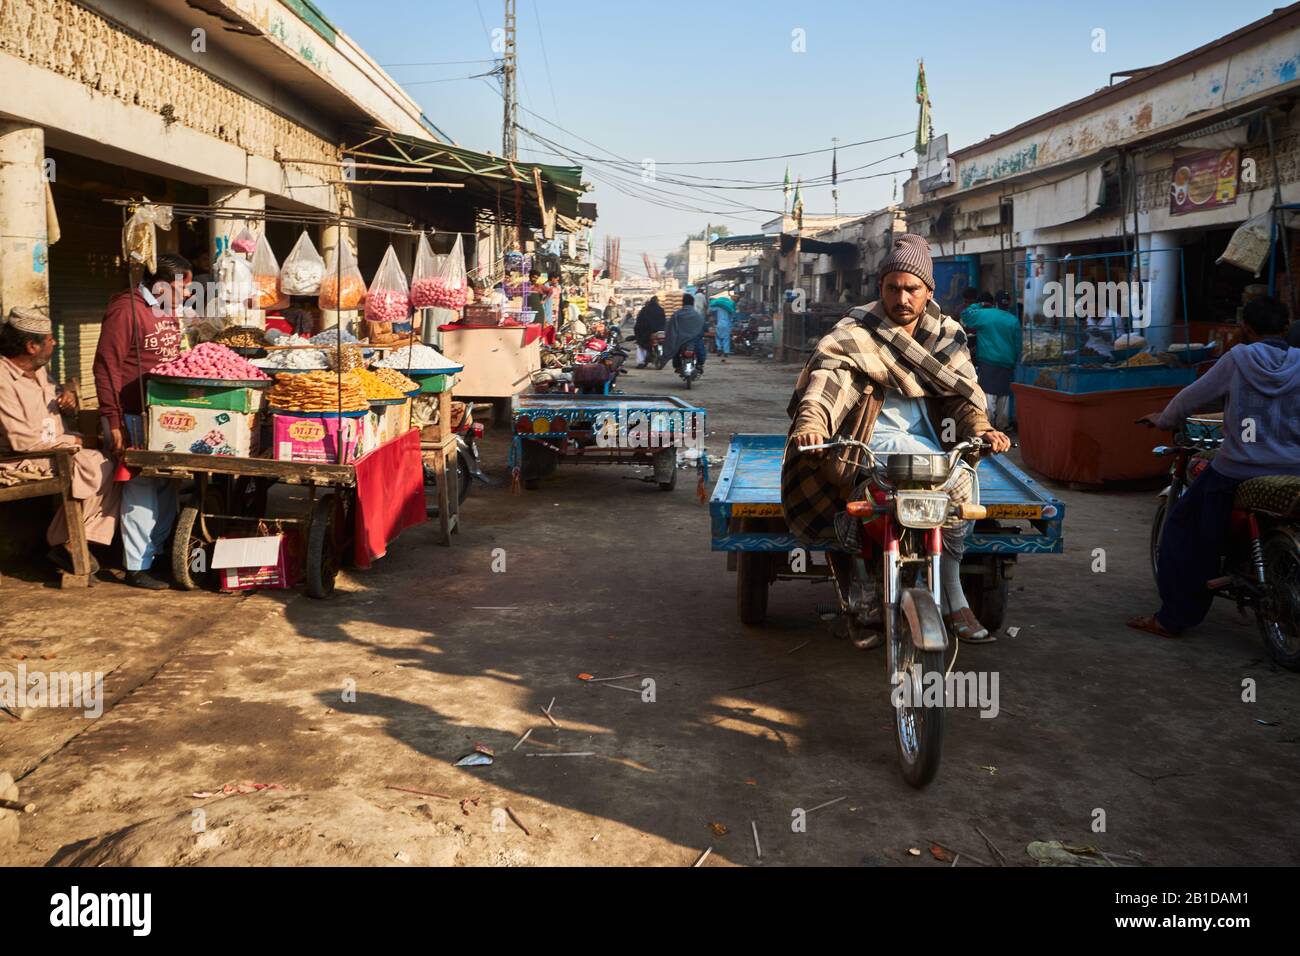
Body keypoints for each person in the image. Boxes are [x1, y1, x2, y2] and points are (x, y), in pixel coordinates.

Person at [783, 234, 1011, 645]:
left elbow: (962, 398)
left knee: (962, 492)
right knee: (854, 510)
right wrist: (811, 424)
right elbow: (826, 385)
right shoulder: (854, 334)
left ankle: (954, 596)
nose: (901, 298)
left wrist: (981, 428)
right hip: (867, 446)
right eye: (893, 288)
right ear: (881, 288)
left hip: (931, 452)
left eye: (911, 289)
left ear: (928, 293)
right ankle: (864, 589)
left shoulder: (947, 335)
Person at [1129, 296, 1300, 639]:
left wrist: (1164, 418)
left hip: (1238, 468)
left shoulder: (1238, 358)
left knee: (1183, 532)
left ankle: (1172, 618)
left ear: (1245, 329)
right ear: (1286, 327)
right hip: (1293, 468)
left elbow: (1193, 397)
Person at [93, 253, 189, 590]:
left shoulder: (163, 309)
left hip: (163, 413)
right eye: (182, 288)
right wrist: (113, 420)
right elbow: (105, 366)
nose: (187, 294)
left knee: (166, 483)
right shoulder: (126, 309)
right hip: (132, 414)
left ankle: (155, 552)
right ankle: (135, 565)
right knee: (141, 485)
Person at [0, 308, 121, 575]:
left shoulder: (40, 371)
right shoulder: (3, 379)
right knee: (96, 464)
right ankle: (69, 542)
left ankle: (67, 541)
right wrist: (76, 441)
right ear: (32, 346)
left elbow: (56, 402)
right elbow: (23, 441)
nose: (55, 343)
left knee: (106, 463)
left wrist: (69, 398)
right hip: (21, 460)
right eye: (50, 339)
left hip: (56, 451)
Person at [962, 291, 1021, 431]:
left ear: (995, 303)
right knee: (1004, 395)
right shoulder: (1014, 320)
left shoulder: (986, 315)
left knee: (988, 394)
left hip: (989, 361)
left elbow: (965, 315)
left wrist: (979, 304)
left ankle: (988, 425)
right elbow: (1018, 345)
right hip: (1007, 363)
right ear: (1008, 303)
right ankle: (1003, 424)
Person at [663, 295, 707, 374]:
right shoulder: (698, 315)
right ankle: (699, 365)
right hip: (695, 340)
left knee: (675, 350)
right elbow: (703, 328)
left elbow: (671, 329)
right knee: (701, 351)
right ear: (693, 303)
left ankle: (678, 366)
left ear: (682, 303)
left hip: (680, 341)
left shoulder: (676, 315)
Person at [632, 296, 667, 368]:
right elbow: (664, 321)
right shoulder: (661, 309)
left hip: (648, 333)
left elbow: (640, 322)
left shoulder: (645, 310)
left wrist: (638, 329)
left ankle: (641, 362)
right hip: (660, 331)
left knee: (640, 345)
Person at [711, 296, 734, 363]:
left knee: (718, 337)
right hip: (727, 325)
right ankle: (726, 352)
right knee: (726, 338)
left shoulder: (717, 308)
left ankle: (719, 349)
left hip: (719, 324)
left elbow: (711, 310)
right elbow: (732, 318)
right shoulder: (729, 309)